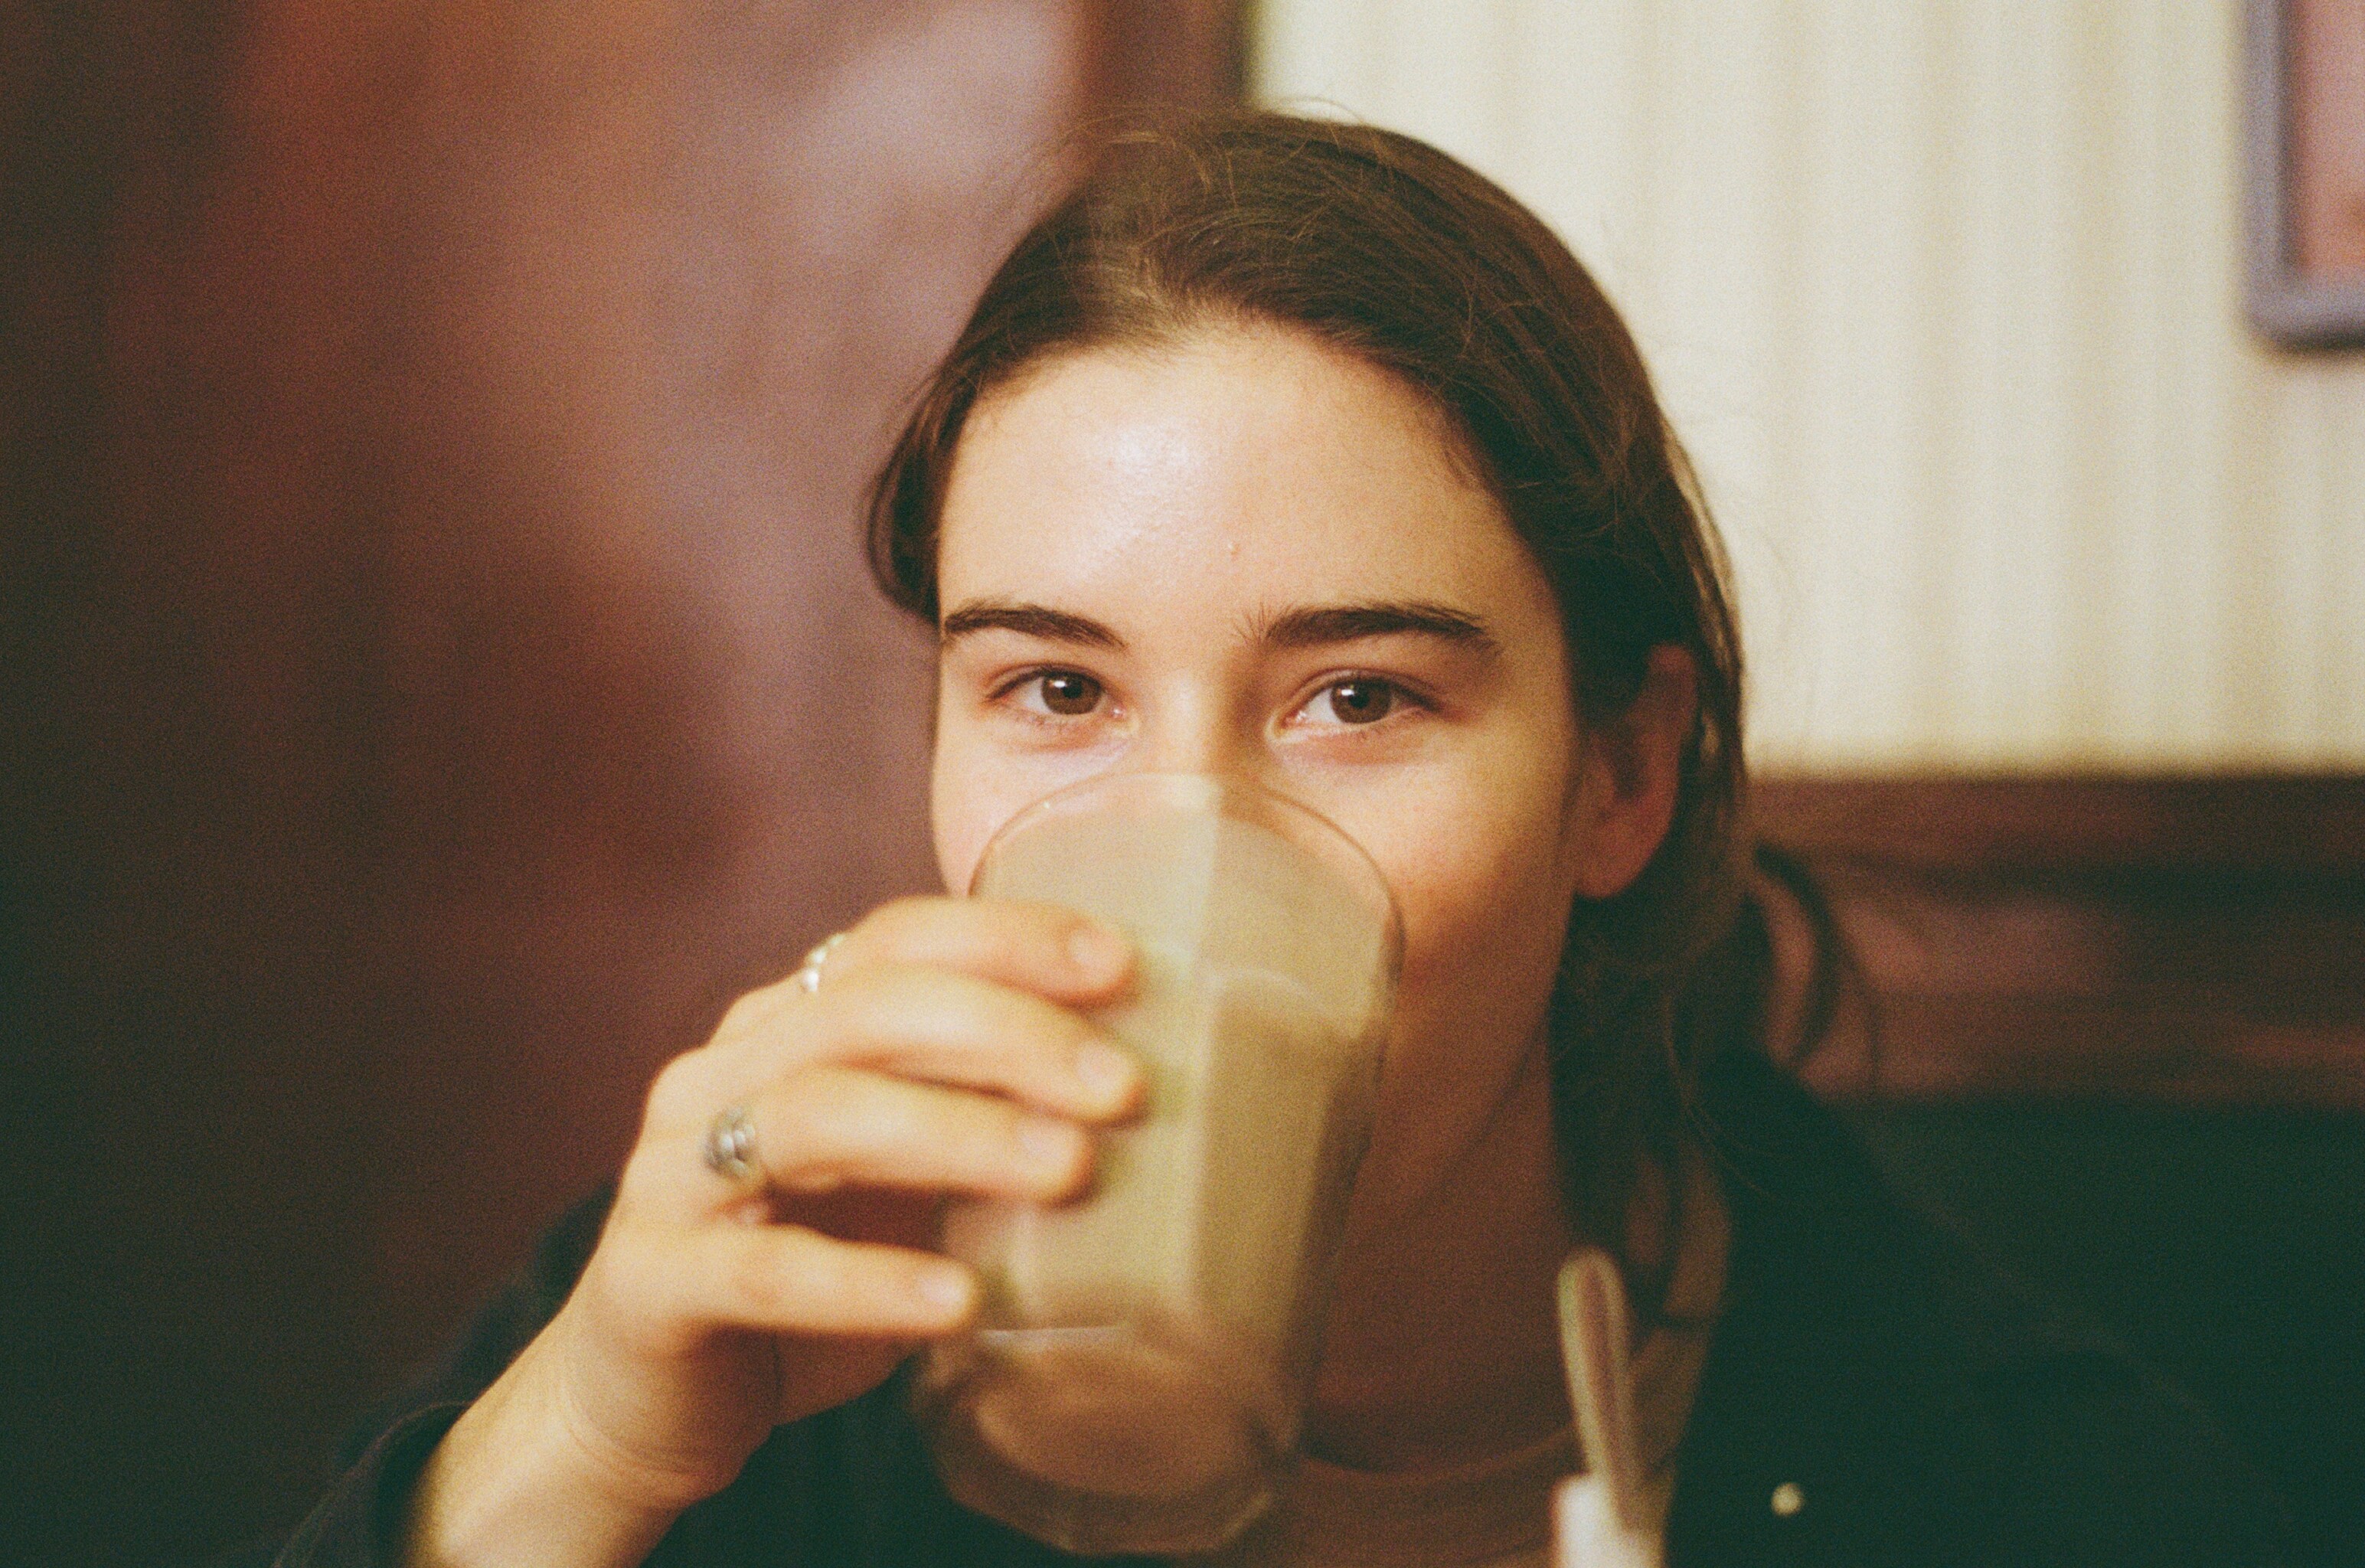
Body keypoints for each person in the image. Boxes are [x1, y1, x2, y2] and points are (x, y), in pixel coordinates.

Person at [254, 113, 2284, 1567]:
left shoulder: (2025, 1479)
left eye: (1360, 698)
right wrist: (581, 1454)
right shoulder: (761, 1347)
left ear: (1619, 776)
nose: (1192, 857)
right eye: (1056, 692)